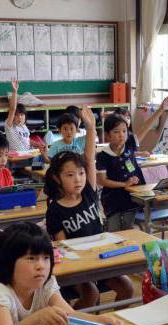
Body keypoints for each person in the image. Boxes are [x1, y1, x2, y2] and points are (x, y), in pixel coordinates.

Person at [43, 106, 134, 308]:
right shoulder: (55, 209)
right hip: (78, 266)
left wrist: (91, 128)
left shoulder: (88, 193)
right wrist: (82, 264)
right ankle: (78, 321)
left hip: (100, 257)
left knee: (127, 289)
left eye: (80, 174)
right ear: (57, 178)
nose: (78, 179)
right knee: (91, 294)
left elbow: (90, 160)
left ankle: (111, 322)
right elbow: (62, 247)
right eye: (70, 175)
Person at [96, 115, 146, 231]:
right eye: (116, 132)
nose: (121, 135)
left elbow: (145, 128)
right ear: (107, 135)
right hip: (112, 200)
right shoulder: (103, 156)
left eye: (124, 131)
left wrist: (160, 110)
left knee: (128, 229)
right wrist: (124, 184)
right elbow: (102, 180)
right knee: (114, 229)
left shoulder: (129, 146)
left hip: (131, 198)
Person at [5, 78, 47, 156]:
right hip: (16, 157)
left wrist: (37, 144)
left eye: (21, 115)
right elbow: (12, 109)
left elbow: (27, 140)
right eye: (16, 115)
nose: (19, 117)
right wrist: (15, 91)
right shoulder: (10, 126)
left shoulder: (24, 127)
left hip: (27, 155)